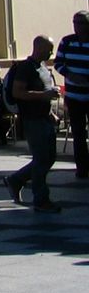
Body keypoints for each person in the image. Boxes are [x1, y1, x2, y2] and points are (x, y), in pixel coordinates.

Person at [3, 36, 63, 213]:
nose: (51, 52)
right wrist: (43, 95)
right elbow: (18, 92)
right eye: (48, 49)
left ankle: (16, 180)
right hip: (32, 120)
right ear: (38, 47)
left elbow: (46, 93)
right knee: (41, 160)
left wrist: (51, 113)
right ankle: (40, 199)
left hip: (45, 118)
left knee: (48, 158)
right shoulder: (25, 67)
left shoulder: (43, 68)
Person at [56, 11, 89, 180]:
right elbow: (58, 63)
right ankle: (82, 168)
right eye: (75, 22)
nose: (77, 26)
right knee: (78, 133)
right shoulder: (67, 41)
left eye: (81, 22)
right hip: (74, 96)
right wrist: (70, 74)